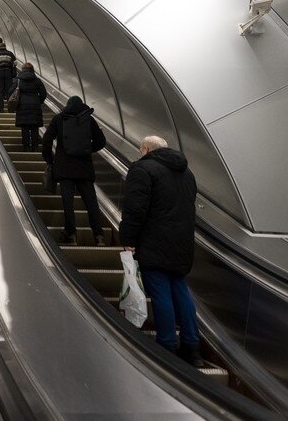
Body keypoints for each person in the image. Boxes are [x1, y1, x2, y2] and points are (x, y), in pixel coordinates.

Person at [119, 136, 203, 368]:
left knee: (160, 292)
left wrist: (128, 239)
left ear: (145, 149)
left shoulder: (143, 169)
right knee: (180, 290)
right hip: (182, 243)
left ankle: (166, 344)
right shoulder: (187, 173)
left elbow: (135, 208)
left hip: (154, 241)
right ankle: (192, 346)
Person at [42, 96, 107, 247]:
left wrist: (50, 159)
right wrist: (88, 150)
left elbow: (47, 140)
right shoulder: (89, 120)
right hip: (84, 168)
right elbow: (101, 141)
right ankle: (99, 236)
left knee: (68, 202)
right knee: (91, 203)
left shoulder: (59, 118)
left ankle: (71, 235)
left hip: (64, 167)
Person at [14, 63, 47, 151]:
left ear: (22, 69)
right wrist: (39, 101)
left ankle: (26, 147)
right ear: (32, 70)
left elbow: (11, 91)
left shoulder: (18, 81)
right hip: (35, 106)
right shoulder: (37, 81)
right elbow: (44, 93)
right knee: (34, 127)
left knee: (24, 128)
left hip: (22, 106)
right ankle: (35, 147)